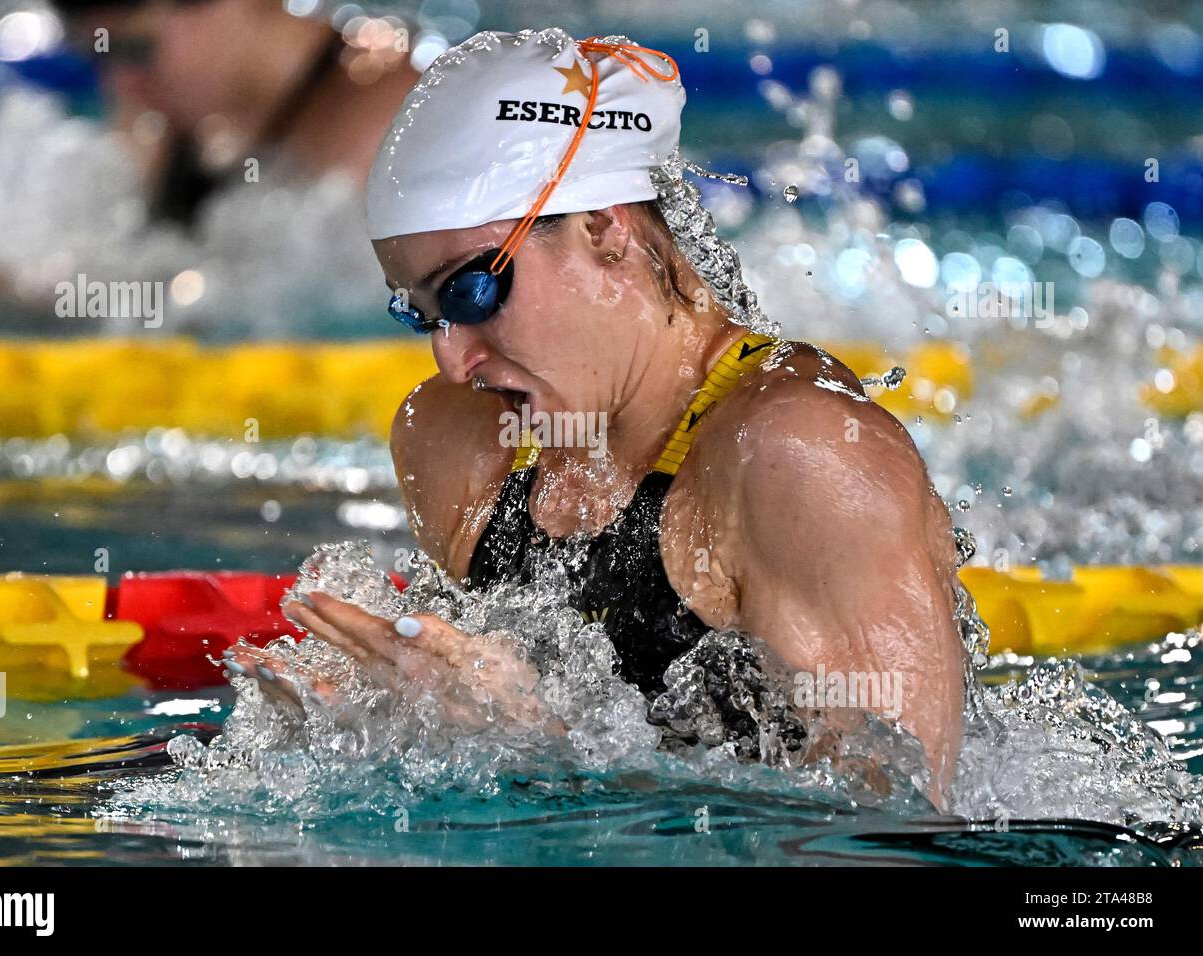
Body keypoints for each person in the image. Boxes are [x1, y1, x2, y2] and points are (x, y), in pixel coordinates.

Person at [228, 29, 966, 803]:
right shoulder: (458, 445)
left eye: (471, 293)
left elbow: (894, 828)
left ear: (603, 229)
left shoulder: (802, 461)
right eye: (423, 315)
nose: (452, 359)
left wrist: (543, 751)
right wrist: (362, 730)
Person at [0, 0, 419, 332]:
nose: (122, 87)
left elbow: (250, 318)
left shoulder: (392, 126)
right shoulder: (170, 125)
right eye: (99, 57)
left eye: (136, 49)